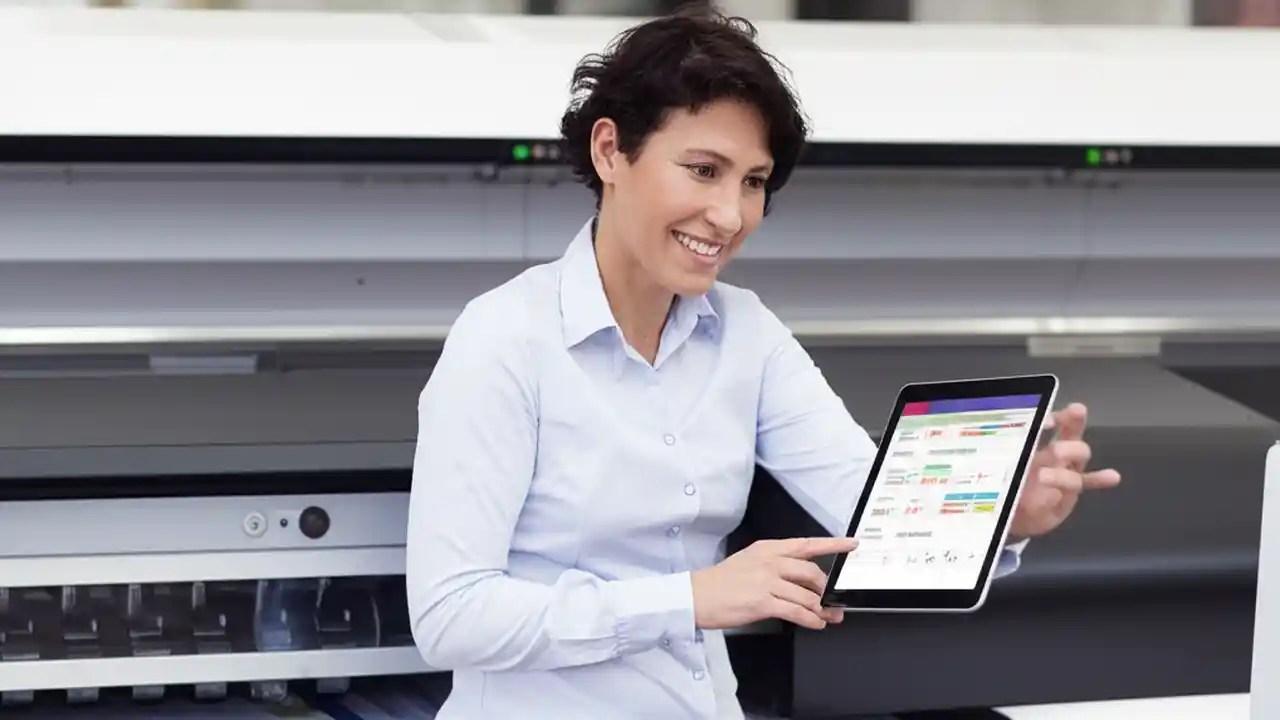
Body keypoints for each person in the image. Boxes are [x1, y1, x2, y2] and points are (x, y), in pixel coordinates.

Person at [406, 7, 1122, 719]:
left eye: (753, 181)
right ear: (610, 151)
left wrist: (1001, 521)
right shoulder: (503, 340)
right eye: (703, 170)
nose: (729, 214)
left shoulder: (746, 332)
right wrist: (691, 597)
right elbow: (451, 615)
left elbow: (866, 513)